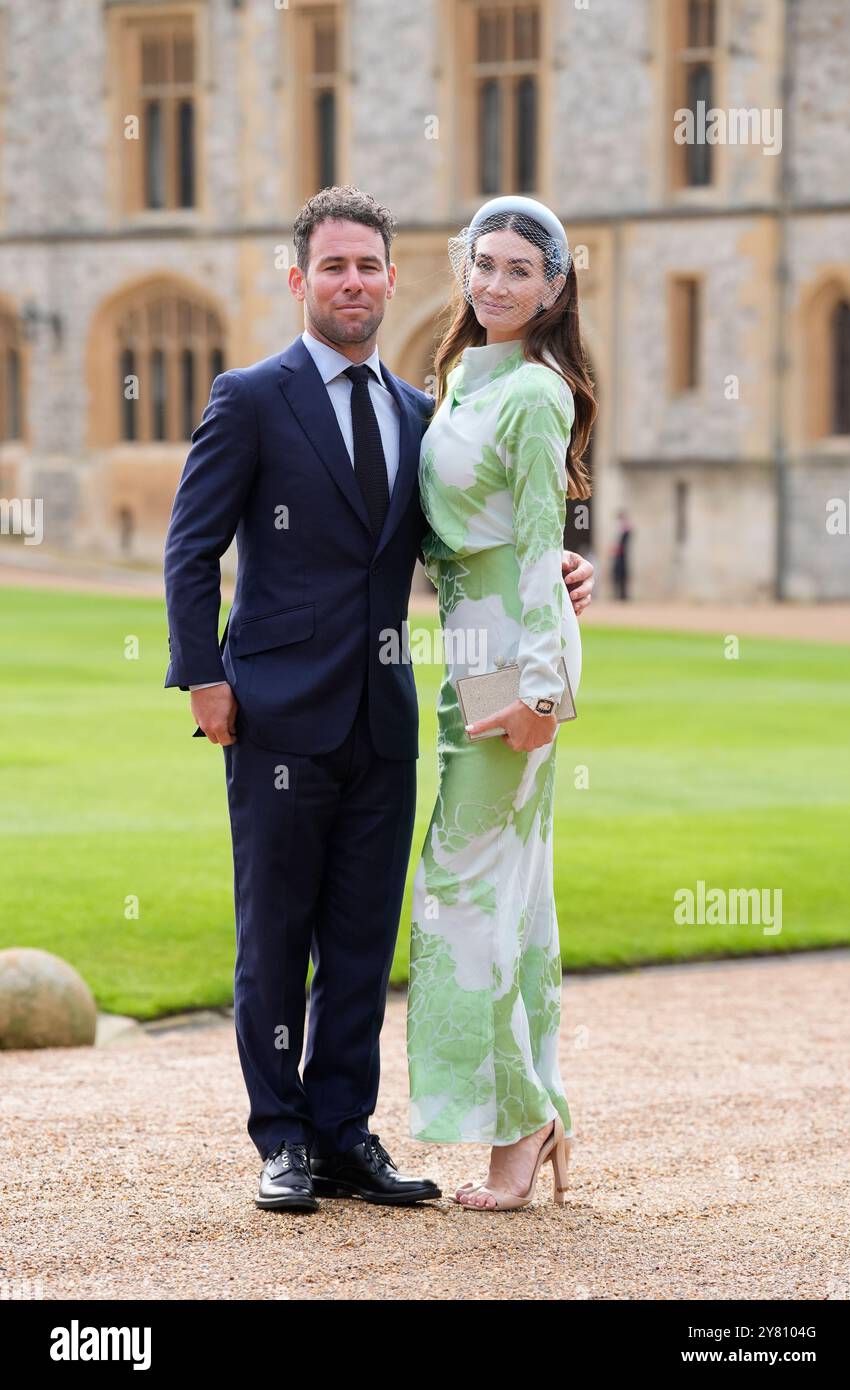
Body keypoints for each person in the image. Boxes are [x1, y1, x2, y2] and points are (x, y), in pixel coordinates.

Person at [163, 185, 595, 1213]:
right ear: (298, 278)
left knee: (360, 940)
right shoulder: (249, 395)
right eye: (332, 267)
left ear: (392, 279)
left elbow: (486, 530)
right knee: (275, 934)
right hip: (273, 709)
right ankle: (281, 1141)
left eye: (367, 268)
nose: (351, 283)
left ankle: (343, 1134)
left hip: (389, 713)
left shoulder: (423, 408)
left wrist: (568, 580)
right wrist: (204, 676)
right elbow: (191, 547)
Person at [407, 195, 598, 1211]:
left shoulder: (531, 394)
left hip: (506, 667)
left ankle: (518, 1122)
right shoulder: (456, 387)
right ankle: (533, 1115)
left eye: (519, 270)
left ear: (552, 287)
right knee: (505, 897)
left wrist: (542, 694)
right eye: (483, 264)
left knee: (458, 895)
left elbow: (531, 549)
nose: (494, 283)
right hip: (464, 657)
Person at [612, 509, 632, 600]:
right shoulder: (621, 530)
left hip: (622, 556)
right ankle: (620, 594)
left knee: (622, 574)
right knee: (618, 575)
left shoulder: (626, 530)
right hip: (620, 556)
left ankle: (623, 595)